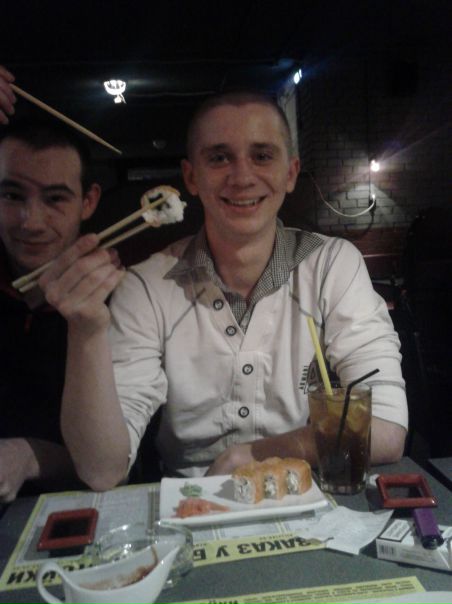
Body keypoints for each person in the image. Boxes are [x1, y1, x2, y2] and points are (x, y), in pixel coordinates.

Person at [38, 91, 408, 490]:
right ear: (191, 177)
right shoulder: (146, 285)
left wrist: (253, 454)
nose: (242, 177)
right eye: (219, 158)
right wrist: (86, 330)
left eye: (262, 156)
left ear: (290, 173)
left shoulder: (332, 265)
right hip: (190, 503)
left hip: (302, 492)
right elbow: (102, 470)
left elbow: (387, 427)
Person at [0, 69, 123, 500]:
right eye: (12, 195)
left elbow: (119, 462)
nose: (30, 222)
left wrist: (28, 455)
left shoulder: (122, 299)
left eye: (55, 199)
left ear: (88, 201)